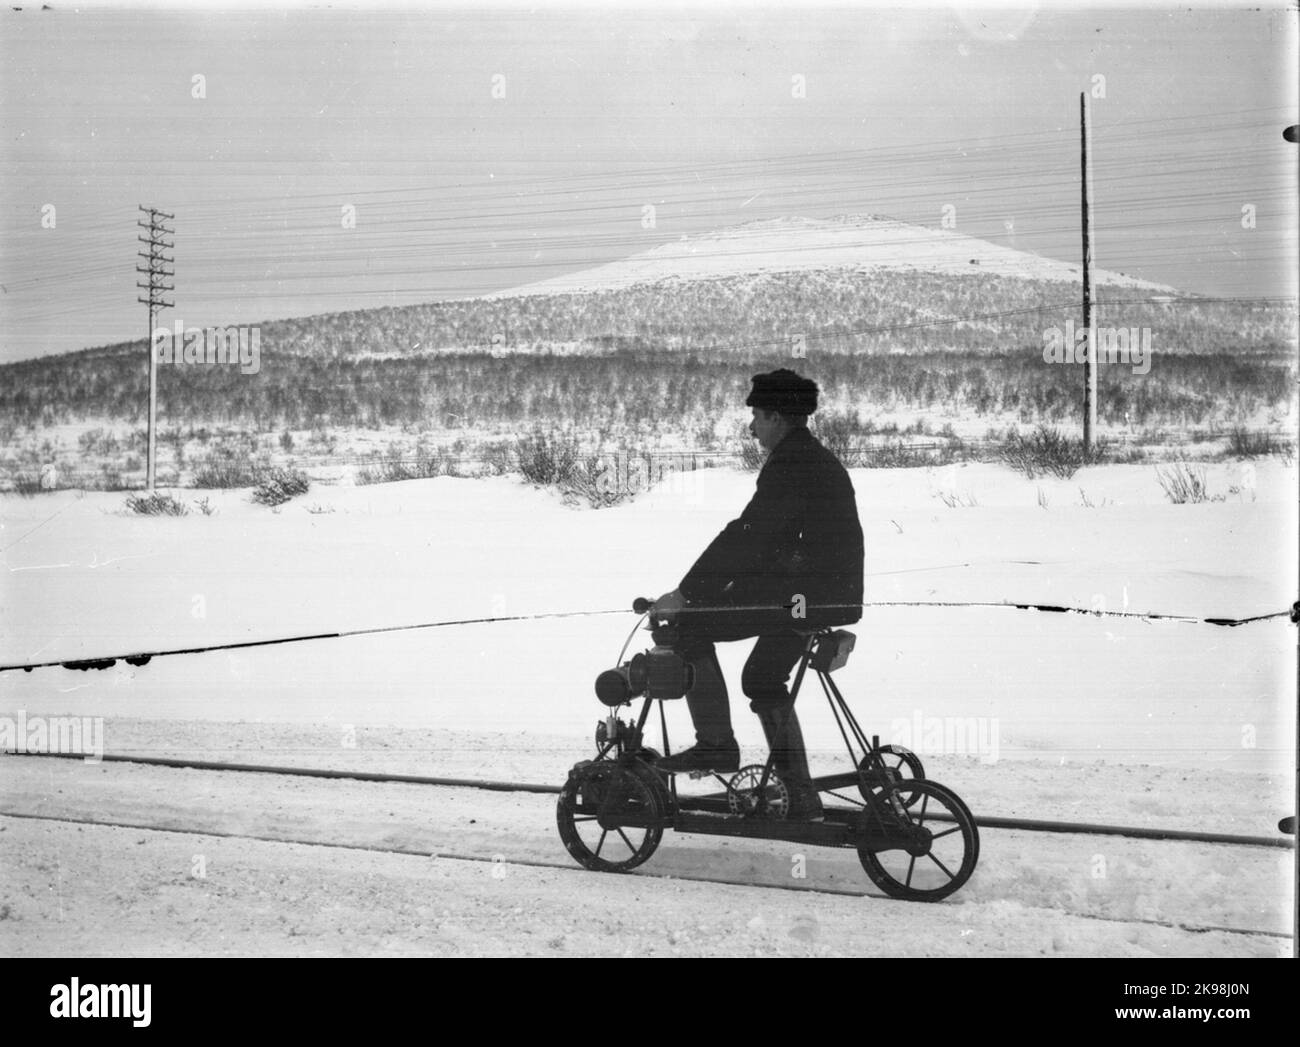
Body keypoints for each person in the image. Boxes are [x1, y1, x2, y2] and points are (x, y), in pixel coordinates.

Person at [651, 368, 864, 820]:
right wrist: (723, 589)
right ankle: (799, 794)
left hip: (802, 597)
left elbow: (750, 535)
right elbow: (774, 544)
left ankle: (715, 748)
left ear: (778, 418)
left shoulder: (792, 464)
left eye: (757, 417)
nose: (752, 428)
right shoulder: (810, 458)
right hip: (823, 594)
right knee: (763, 680)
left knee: (685, 627)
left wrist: (687, 594)